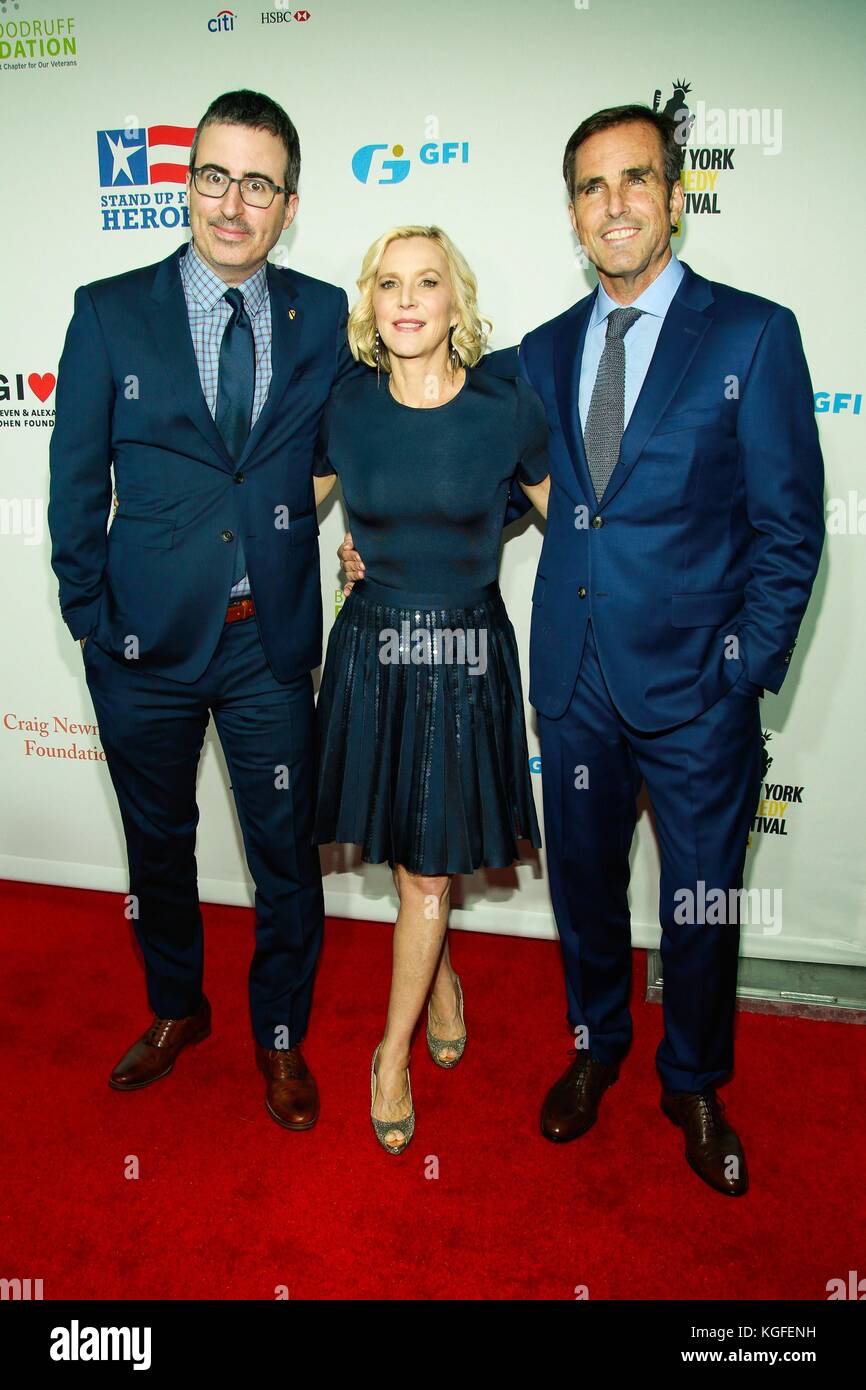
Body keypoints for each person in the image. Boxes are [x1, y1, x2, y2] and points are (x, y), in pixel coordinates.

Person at [340, 108, 825, 1192]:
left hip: (699, 686)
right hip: (569, 680)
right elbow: (486, 476)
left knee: (698, 900)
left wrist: (741, 664)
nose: (614, 203)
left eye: (633, 180)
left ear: (672, 194)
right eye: (591, 187)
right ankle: (595, 1044)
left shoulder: (751, 335)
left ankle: (691, 1079)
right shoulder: (540, 355)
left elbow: (791, 527)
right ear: (570, 212)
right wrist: (384, 553)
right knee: (589, 893)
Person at [48, 89, 365, 1131]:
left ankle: (279, 1036)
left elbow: (336, 453)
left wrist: (325, 528)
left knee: (285, 857)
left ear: (288, 203)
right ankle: (178, 1008)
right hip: (140, 646)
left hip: (266, 646)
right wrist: (94, 616)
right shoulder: (108, 308)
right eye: (216, 176)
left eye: (258, 184)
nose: (234, 203)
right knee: (158, 847)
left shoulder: (319, 314)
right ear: (188, 185)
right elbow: (72, 480)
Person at [312, 225, 550, 1154]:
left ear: (457, 300)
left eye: (427, 282)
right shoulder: (347, 408)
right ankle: (441, 983)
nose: (407, 300)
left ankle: (388, 1054)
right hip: (375, 646)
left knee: (430, 867)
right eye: (387, 284)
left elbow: (568, 516)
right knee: (416, 854)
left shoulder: (506, 405)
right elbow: (287, 499)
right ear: (371, 303)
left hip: (464, 652)